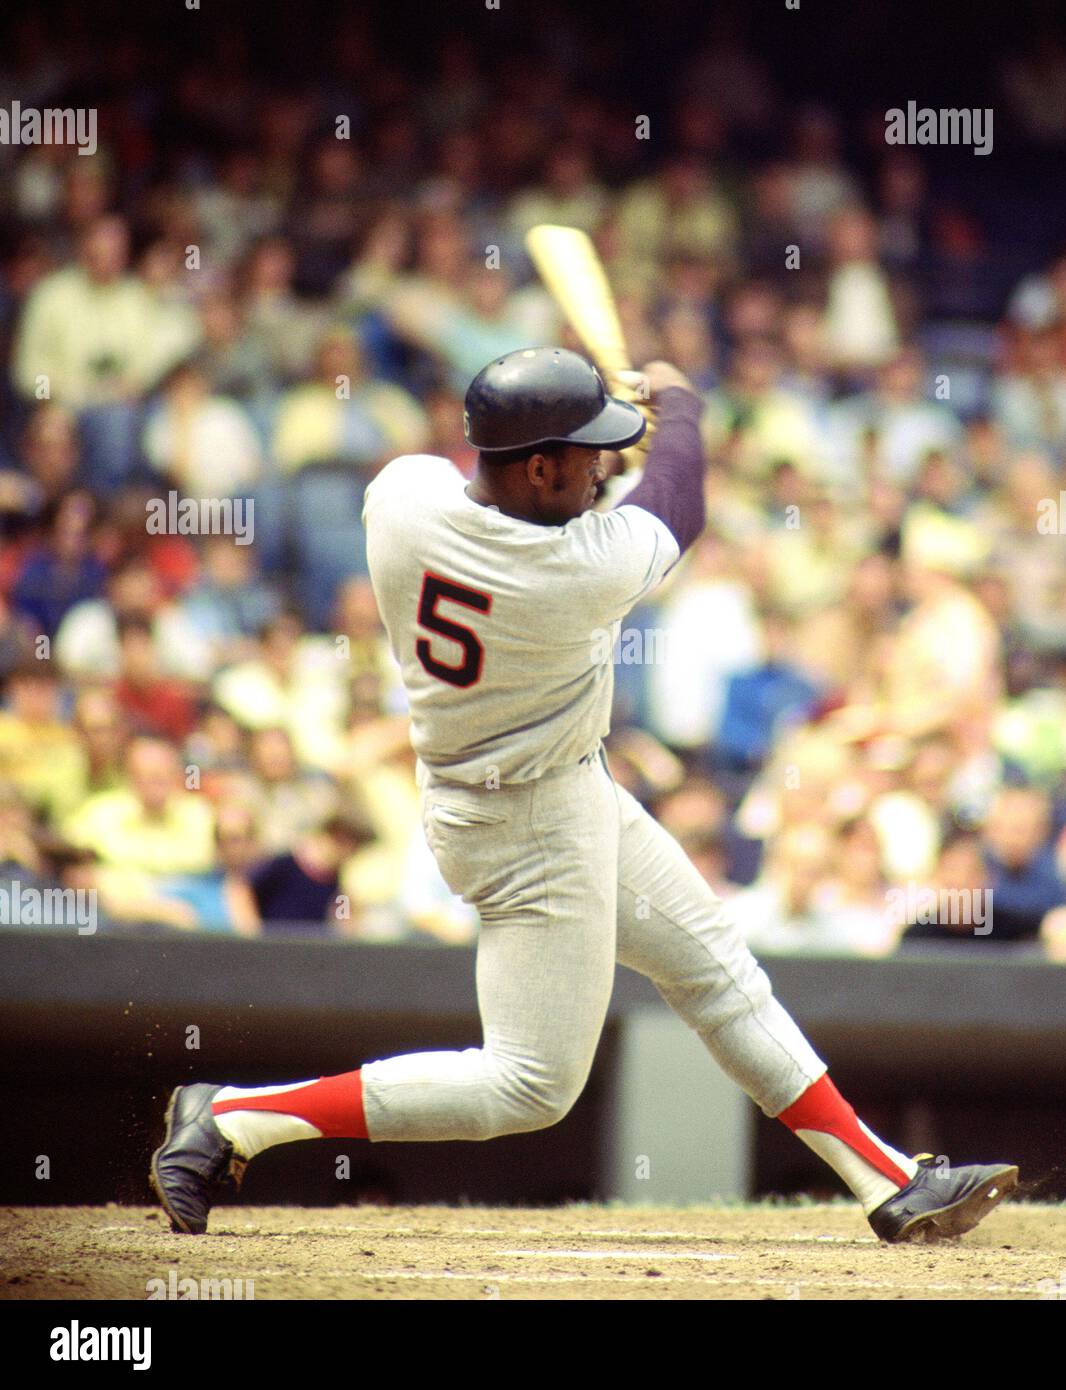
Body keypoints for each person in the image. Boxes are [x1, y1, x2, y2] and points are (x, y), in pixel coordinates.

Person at [150, 347, 1018, 1242]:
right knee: (527, 1085)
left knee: (717, 972)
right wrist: (677, 405)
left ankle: (883, 1181)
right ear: (537, 465)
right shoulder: (573, 574)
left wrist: (597, 439)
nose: (601, 467)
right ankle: (232, 1117)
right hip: (527, 821)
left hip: (525, 789)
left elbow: (561, 503)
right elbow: (678, 499)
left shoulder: (403, 498)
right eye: (583, 454)